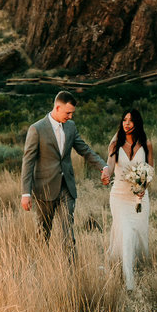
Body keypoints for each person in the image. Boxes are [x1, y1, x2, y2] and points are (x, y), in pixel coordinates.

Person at [20, 90, 110, 242]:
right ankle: (43, 264)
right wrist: (25, 193)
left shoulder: (71, 126)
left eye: (72, 113)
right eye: (68, 113)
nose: (70, 117)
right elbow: (28, 162)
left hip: (66, 187)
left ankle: (70, 265)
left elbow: (84, 149)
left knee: (68, 232)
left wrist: (103, 166)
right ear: (57, 108)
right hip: (45, 188)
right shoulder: (37, 129)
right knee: (43, 233)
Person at [107, 107, 153, 289]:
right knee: (126, 232)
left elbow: (150, 171)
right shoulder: (115, 144)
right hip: (119, 197)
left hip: (139, 199)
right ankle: (130, 283)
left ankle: (138, 267)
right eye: (124, 120)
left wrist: (144, 187)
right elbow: (110, 166)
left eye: (131, 120)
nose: (127, 123)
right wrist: (105, 174)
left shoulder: (146, 145)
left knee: (138, 235)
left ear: (137, 123)